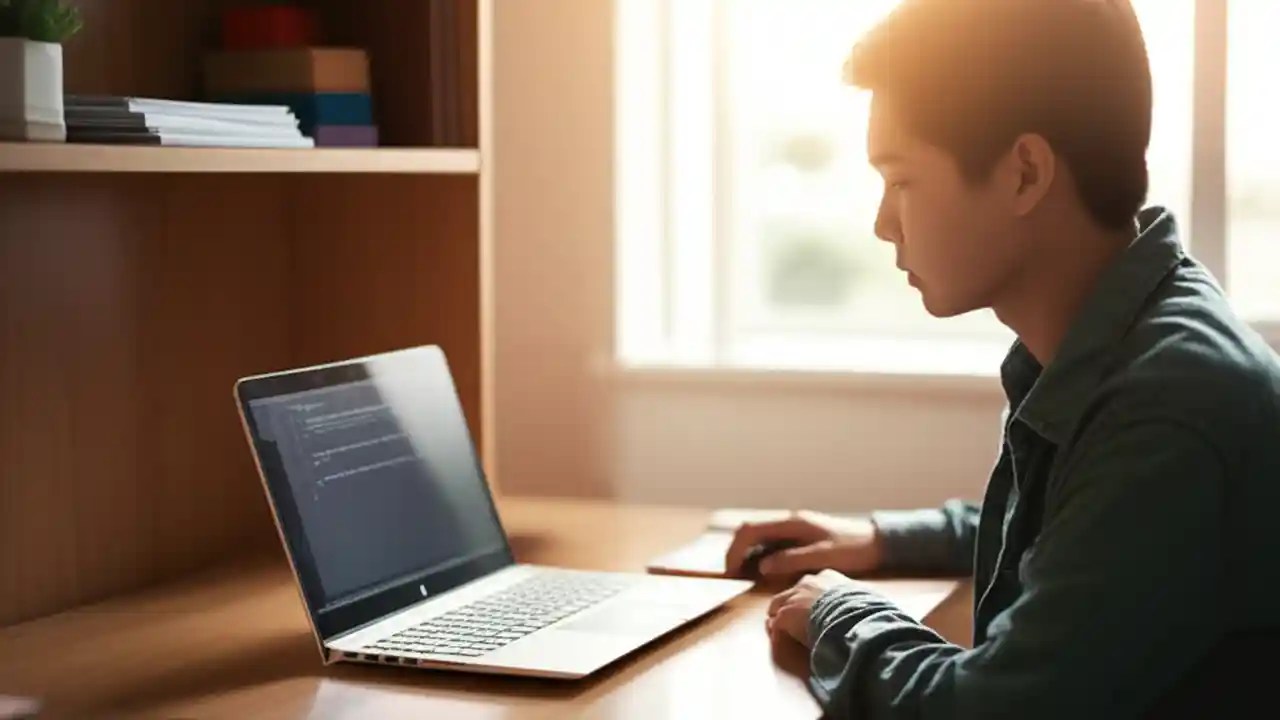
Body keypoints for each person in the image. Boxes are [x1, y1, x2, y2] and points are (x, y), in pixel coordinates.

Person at [723, 1, 1280, 718]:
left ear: (1024, 172)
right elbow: (1086, 534)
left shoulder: (1168, 413)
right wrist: (883, 540)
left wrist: (842, 610)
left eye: (901, 180)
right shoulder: (1142, 330)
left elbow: (989, 709)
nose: (882, 223)